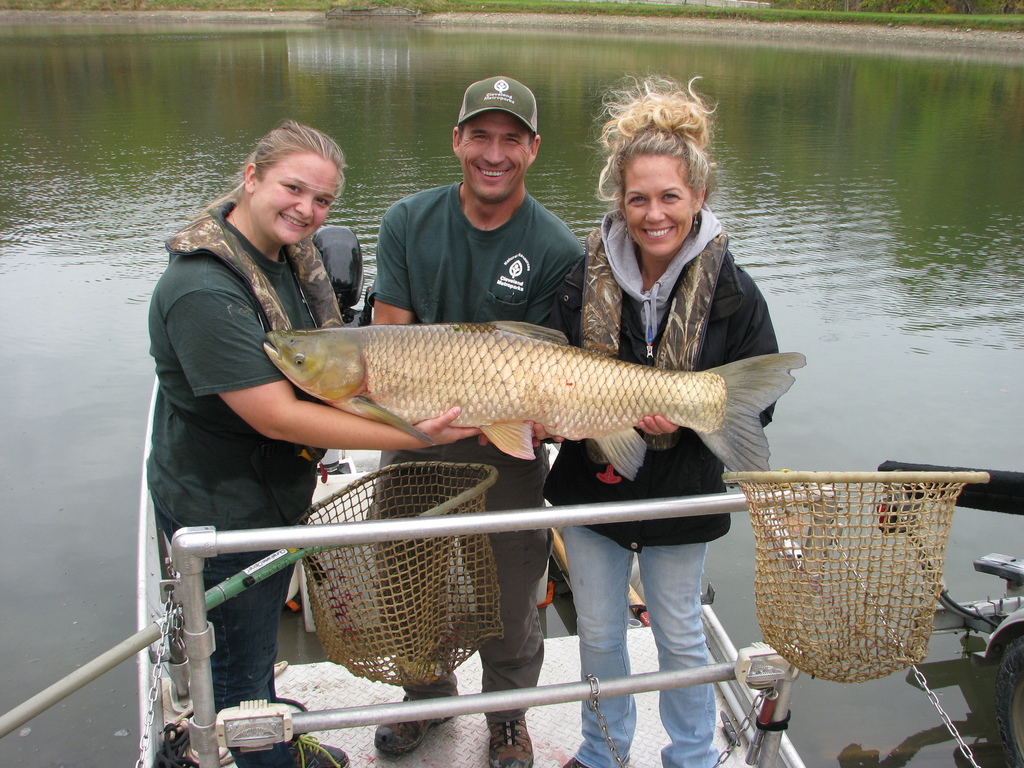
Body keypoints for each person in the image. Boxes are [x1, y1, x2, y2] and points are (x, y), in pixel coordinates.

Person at [147, 119, 479, 768]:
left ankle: (273, 737)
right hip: (222, 511)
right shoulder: (201, 288)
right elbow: (276, 415)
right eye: (292, 188)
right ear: (251, 177)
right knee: (240, 673)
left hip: (272, 497)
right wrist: (408, 431)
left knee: (254, 644)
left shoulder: (280, 258)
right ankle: (267, 756)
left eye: (322, 200)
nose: (306, 208)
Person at [543, 76, 782, 768]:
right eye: (639, 198)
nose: (654, 214)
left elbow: (757, 398)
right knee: (598, 633)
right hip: (593, 486)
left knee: (680, 632)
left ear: (699, 197)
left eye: (670, 197)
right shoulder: (576, 278)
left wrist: (683, 413)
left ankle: (691, 756)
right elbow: (550, 372)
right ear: (620, 200)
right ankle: (602, 750)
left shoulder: (734, 290)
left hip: (685, 486)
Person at [368, 76, 583, 768]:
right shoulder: (407, 221)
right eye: (482, 136)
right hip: (417, 436)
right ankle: (425, 695)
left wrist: (547, 414)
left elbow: (554, 361)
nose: (495, 153)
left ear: (534, 149)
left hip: (508, 446)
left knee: (514, 587)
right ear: (457, 140)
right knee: (405, 570)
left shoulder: (555, 247)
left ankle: (508, 718)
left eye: (511, 139)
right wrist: (416, 418)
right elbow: (387, 340)